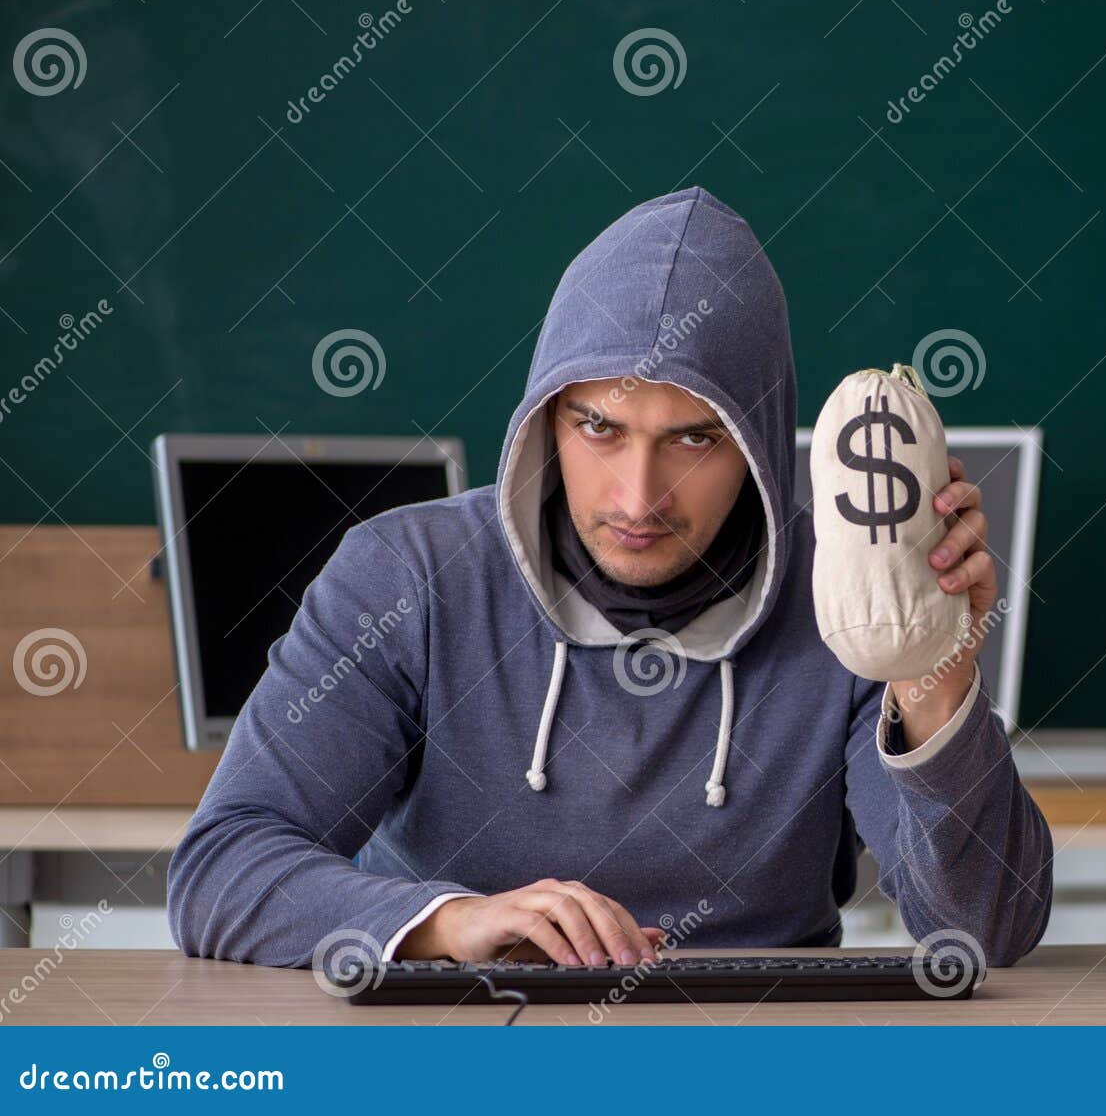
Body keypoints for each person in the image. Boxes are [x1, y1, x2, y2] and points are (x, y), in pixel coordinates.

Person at [167, 187, 1053, 971]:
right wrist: (450, 921)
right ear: (545, 416)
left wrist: (931, 668)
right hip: (466, 1055)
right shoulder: (407, 576)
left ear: (759, 443)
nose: (638, 496)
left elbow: (983, 929)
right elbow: (223, 868)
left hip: (757, 1064)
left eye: (694, 439)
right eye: (599, 428)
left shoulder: (842, 595)